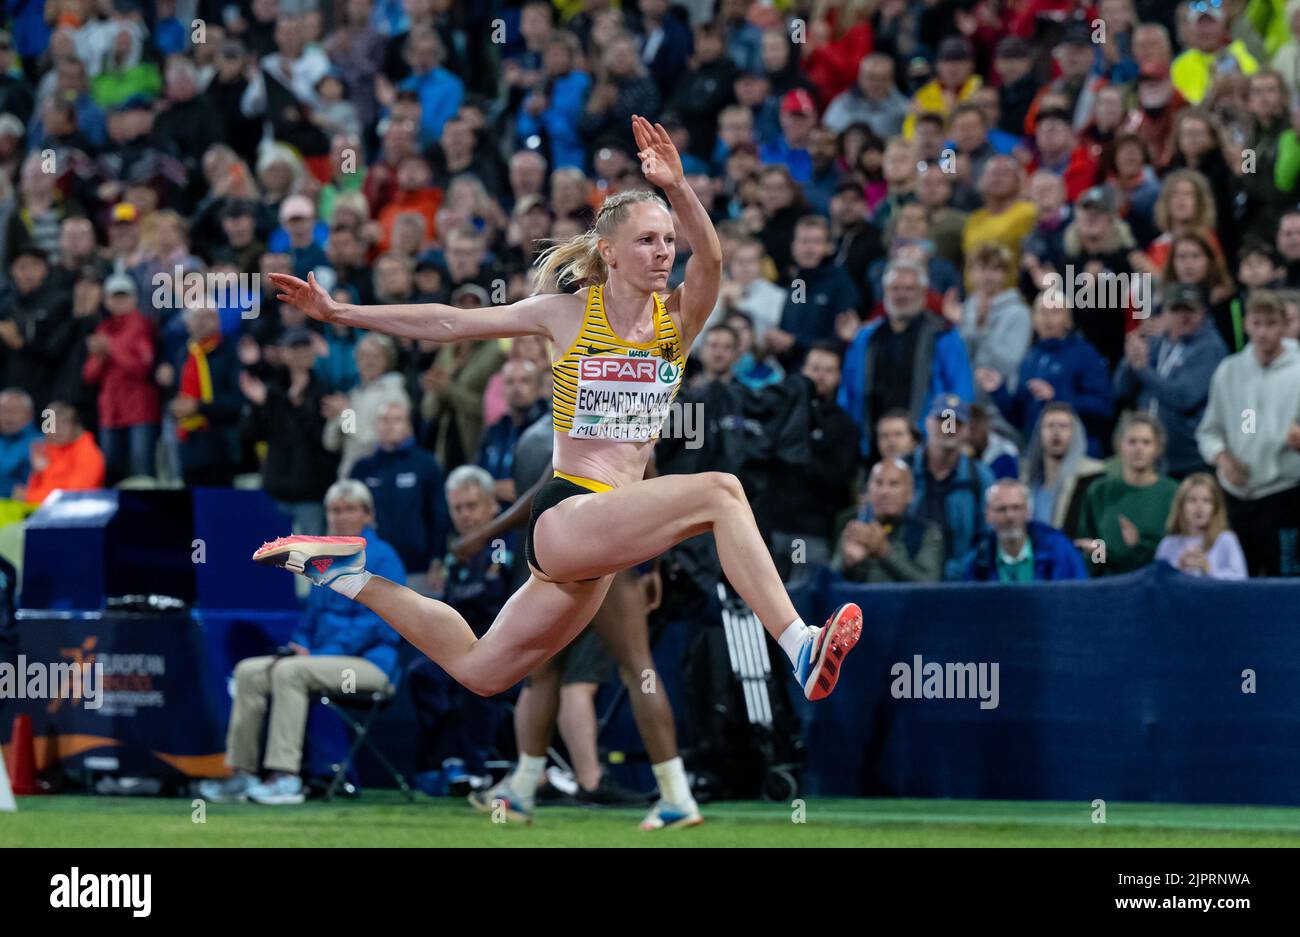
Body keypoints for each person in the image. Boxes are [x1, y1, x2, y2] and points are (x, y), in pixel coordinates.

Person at [253, 119, 862, 813]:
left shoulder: (676, 322)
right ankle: (800, 644)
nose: (665, 251)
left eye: (669, 240)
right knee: (722, 491)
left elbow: (715, 263)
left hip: (600, 546)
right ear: (608, 250)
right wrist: (342, 312)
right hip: (567, 512)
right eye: (648, 239)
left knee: (482, 669)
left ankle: (348, 572)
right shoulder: (568, 312)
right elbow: (449, 322)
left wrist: (680, 188)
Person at [199, 481, 405, 806]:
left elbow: (380, 624)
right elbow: (309, 621)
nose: (341, 517)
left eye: (350, 509)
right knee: (248, 671)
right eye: (335, 511)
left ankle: (285, 778)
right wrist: (299, 645)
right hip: (321, 660)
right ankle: (242, 773)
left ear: (368, 514)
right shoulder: (324, 560)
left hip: (373, 664)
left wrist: (317, 653)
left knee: (290, 673)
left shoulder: (384, 558)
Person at [407, 465, 518, 793]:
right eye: (458, 508)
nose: (465, 515)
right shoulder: (455, 552)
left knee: (474, 676)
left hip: (507, 648)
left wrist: (447, 597)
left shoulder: (503, 542)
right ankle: (447, 758)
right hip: (463, 647)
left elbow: (490, 594)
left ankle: (476, 766)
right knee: (421, 673)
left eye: (472, 506)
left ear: (491, 506)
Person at [1195, 291, 1300, 576]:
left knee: (1285, 583)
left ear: (1284, 325)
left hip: (1285, 494)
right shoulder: (1229, 371)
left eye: (1271, 323)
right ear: (1246, 325)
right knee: (1239, 581)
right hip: (1236, 496)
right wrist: (1222, 457)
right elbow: (1209, 431)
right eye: (1257, 323)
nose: (1264, 332)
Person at [1113, 283, 1227, 478]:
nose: (1183, 316)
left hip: (1189, 460)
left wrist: (1142, 369)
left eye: (1190, 310)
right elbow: (1120, 390)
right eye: (1176, 309)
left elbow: (1183, 397)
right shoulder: (1157, 341)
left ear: (1203, 313)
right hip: (1151, 459)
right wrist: (1129, 360)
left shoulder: (1210, 347)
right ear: (1165, 312)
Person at [350, 398, 451, 595]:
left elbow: (439, 515)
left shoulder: (426, 464)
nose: (389, 426)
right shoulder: (362, 468)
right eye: (384, 420)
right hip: (372, 570)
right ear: (376, 426)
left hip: (418, 569)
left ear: (408, 426)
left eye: (397, 420)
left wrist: (437, 558)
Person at [1076, 413, 1179, 576]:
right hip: (1110, 586)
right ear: (1119, 445)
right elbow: (1094, 550)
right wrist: (1097, 556)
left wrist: (1138, 545)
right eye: (1132, 442)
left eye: (1146, 442)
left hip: (1157, 586)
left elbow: (1179, 550)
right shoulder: (1099, 492)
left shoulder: (1173, 493)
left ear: (1158, 448)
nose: (1139, 448)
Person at [80, 272, 158, 483]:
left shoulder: (142, 326)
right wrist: (101, 357)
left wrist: (110, 349)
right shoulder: (103, 328)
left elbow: (142, 368)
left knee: (142, 471)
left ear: (134, 298)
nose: (119, 301)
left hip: (139, 410)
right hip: (110, 410)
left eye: (124, 296)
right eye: (115, 296)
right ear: (106, 300)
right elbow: (89, 375)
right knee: (111, 471)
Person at [909, 395, 994, 581]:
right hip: (905, 578)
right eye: (942, 420)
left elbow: (988, 538)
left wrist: (960, 571)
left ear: (967, 430)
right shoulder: (902, 470)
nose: (949, 428)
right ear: (927, 423)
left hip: (958, 584)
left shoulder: (980, 477)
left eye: (957, 422)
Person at [833, 457, 943, 583]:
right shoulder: (855, 530)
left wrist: (885, 553)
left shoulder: (926, 533)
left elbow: (930, 585)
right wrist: (847, 564)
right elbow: (830, 584)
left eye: (894, 484)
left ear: (910, 494)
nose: (885, 492)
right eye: (878, 483)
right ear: (868, 492)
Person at [963, 479, 1087, 582]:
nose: (1010, 516)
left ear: (1028, 512)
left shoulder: (1059, 549)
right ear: (988, 515)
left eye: (1017, 508)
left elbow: (1078, 596)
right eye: (1001, 509)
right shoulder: (977, 563)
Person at [1020, 402, 1108, 538]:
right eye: (1050, 426)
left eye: (1063, 426)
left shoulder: (1093, 478)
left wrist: (1098, 559)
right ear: (1039, 433)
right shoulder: (1026, 480)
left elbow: (1101, 537)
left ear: (1075, 433)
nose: (1056, 432)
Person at [1155, 473, 1248, 580]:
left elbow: (1240, 579)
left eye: (1206, 500)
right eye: (1192, 500)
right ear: (1181, 507)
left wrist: (1208, 570)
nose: (1199, 507)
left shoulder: (1226, 540)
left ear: (1215, 507)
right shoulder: (1168, 544)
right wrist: (1178, 570)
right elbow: (1157, 582)